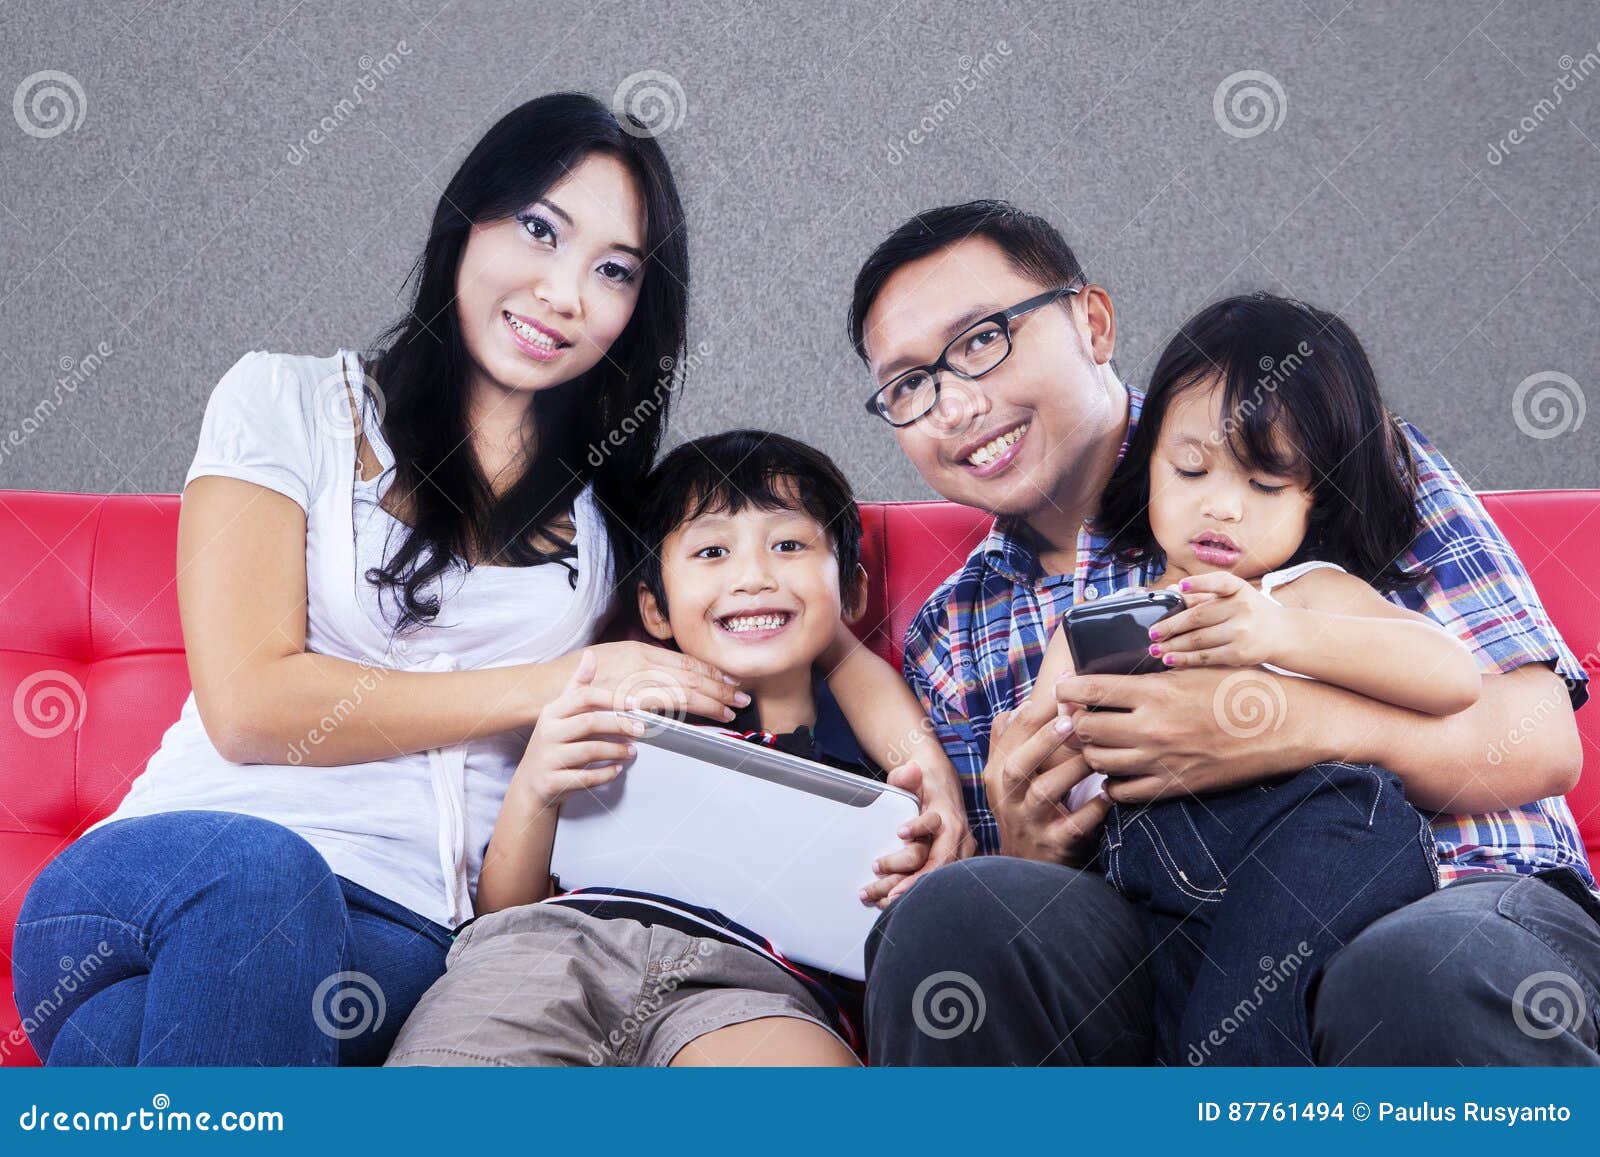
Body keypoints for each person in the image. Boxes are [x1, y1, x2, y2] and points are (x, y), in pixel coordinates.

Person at [9, 93, 948, 1067]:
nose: (563, 291)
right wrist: (558, 682)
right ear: (469, 220)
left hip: (404, 931)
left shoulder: (612, 507)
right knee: (262, 878)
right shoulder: (285, 398)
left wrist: (918, 765)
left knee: (130, 1052)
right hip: (177, 872)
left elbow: (784, 630)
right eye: (539, 230)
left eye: (612, 270)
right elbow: (250, 704)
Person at [852, 200, 1594, 1065]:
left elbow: (1541, 742)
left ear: (1091, 322)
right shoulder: (955, 627)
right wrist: (1028, 839)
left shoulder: (1313, 440)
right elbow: (1042, 902)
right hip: (1178, 944)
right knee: (955, 917)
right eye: (909, 384)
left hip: (1450, 890)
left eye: (981, 339)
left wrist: (1278, 723)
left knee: (1410, 973)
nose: (954, 403)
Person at [386, 430, 951, 1066]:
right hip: (551, 950)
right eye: (713, 551)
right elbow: (504, 908)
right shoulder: (628, 702)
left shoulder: (864, 731)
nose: (753, 577)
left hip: (753, 984)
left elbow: (866, 681)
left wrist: (851, 657)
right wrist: (536, 786)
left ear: (851, 592)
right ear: (655, 611)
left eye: (789, 545)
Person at [1016, 292, 1478, 1063]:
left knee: (1236, 1042)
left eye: (1266, 486)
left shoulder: (1302, 591)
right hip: (1147, 878)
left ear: (1313, 501)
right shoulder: (1101, 620)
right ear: (1148, 462)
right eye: (1190, 468)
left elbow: (1451, 675)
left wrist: (1283, 633)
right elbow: (1047, 752)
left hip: (1314, 844)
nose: (1222, 507)